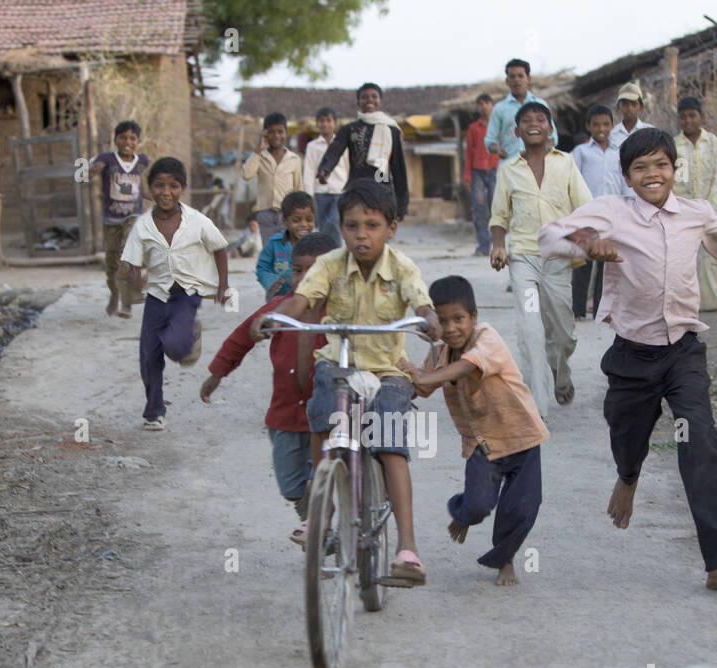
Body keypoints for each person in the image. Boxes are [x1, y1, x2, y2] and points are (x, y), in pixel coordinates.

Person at [538, 128, 717, 590]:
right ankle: (628, 475)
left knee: (700, 438)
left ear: (674, 169)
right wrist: (588, 242)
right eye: (641, 167)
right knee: (628, 436)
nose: (652, 174)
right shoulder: (612, 212)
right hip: (632, 356)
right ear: (627, 176)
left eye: (661, 165)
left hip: (683, 352)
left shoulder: (694, 214)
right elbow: (550, 237)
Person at [253, 180, 439, 584]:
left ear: (391, 227)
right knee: (324, 417)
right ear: (340, 227)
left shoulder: (402, 268)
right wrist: (279, 317)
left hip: (387, 369)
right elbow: (301, 299)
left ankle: (407, 548)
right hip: (338, 363)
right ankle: (324, 515)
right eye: (351, 225)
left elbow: (421, 301)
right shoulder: (330, 264)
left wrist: (431, 320)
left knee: (390, 442)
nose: (361, 235)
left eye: (372, 225)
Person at [398, 276, 549, 587]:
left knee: (522, 508)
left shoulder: (486, 339)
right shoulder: (439, 353)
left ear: (474, 317)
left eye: (458, 319)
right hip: (482, 444)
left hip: (521, 437)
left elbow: (465, 368)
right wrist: (404, 374)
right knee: (478, 506)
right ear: (432, 324)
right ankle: (465, 511)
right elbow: (422, 387)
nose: (451, 328)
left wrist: (425, 377)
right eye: (442, 321)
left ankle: (504, 559)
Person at [200, 232, 334, 543]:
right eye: (298, 270)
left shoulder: (341, 313)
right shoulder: (280, 308)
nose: (303, 278)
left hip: (326, 417)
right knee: (290, 486)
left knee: (321, 478)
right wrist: (218, 373)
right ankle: (313, 522)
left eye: (314, 271)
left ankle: (320, 529)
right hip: (285, 416)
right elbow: (241, 338)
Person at [489, 101, 591, 412]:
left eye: (541, 119)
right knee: (531, 330)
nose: (534, 123)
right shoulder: (508, 171)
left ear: (550, 129)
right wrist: (498, 245)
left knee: (562, 332)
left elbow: (585, 207)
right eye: (527, 120)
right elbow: (499, 216)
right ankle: (538, 411)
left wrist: (587, 237)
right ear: (516, 131)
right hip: (524, 261)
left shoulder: (566, 164)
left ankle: (561, 374)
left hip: (557, 259)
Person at [121, 157, 231, 431]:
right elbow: (133, 262)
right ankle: (154, 412)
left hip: (186, 294)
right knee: (149, 354)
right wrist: (136, 279)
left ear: (183, 188)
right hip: (156, 296)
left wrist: (223, 285)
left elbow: (219, 247)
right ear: (150, 189)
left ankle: (188, 332)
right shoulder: (143, 225)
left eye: (173, 185)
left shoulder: (197, 221)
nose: (166, 192)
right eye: (159, 185)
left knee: (175, 346)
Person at [317, 83, 410, 220]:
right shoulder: (349, 129)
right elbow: (334, 151)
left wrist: (402, 206)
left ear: (380, 101)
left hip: (381, 188)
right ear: (358, 102)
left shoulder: (391, 130)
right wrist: (325, 170)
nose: (369, 100)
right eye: (364, 97)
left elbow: (398, 169)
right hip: (357, 188)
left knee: (379, 230)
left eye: (374, 96)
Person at [89, 120, 151, 318]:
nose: (127, 141)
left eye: (132, 138)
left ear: (138, 142)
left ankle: (127, 304)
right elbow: (81, 177)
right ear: (115, 139)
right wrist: (92, 170)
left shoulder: (142, 161)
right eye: (123, 137)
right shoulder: (106, 158)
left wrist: (159, 197)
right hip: (111, 220)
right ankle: (115, 295)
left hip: (133, 218)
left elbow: (139, 188)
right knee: (112, 265)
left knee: (127, 259)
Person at [569, 104, 623, 321]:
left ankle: (601, 310)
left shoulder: (618, 153)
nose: (601, 128)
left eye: (606, 124)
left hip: (611, 214)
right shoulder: (581, 152)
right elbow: (571, 181)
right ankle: (578, 310)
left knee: (606, 264)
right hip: (586, 214)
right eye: (596, 124)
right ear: (588, 126)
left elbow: (623, 183)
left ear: (612, 125)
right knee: (583, 263)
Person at [673, 96, 717, 312]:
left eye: (692, 116)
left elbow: (716, 176)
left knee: (711, 254)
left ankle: (710, 301)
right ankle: (686, 302)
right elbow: (676, 180)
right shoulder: (675, 144)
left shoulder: (711, 142)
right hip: (683, 208)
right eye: (683, 117)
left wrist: (713, 208)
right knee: (684, 256)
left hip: (708, 207)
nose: (688, 121)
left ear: (700, 117)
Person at [241, 111, 303, 245]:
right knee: (270, 252)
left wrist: (299, 215)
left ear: (286, 133)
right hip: (265, 215)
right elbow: (246, 174)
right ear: (265, 134)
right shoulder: (259, 157)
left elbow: (299, 188)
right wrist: (258, 150)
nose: (276, 136)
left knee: (289, 251)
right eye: (272, 132)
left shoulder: (294, 159)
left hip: (287, 214)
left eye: (280, 131)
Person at [484, 59, 557, 159]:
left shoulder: (540, 104)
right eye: (512, 76)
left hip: (537, 168)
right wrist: (498, 149)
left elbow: (552, 137)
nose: (516, 80)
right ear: (507, 80)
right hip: (510, 166)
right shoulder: (499, 108)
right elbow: (490, 140)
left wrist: (543, 156)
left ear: (528, 79)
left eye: (520, 76)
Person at [256, 191, 316, 299]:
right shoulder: (274, 244)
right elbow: (262, 268)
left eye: (309, 220)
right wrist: (270, 280)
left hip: (308, 301)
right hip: (279, 301)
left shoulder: (318, 245)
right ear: (284, 221)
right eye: (296, 220)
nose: (304, 225)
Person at [303, 107, 349, 245]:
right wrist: (308, 195)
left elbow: (348, 167)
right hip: (320, 193)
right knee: (322, 227)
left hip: (339, 191)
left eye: (328, 120)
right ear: (317, 124)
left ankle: (337, 253)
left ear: (335, 123)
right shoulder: (312, 146)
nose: (325, 124)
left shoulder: (343, 144)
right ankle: (326, 256)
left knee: (334, 222)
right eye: (321, 121)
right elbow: (309, 171)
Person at [464, 93, 500, 256]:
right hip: (477, 171)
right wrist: (467, 177)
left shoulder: (499, 126)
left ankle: (500, 245)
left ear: (492, 105)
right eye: (481, 104)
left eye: (487, 102)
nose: (484, 106)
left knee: (498, 209)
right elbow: (468, 153)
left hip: (496, 169)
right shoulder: (473, 128)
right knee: (479, 208)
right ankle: (483, 246)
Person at [610, 83, 654, 152]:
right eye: (625, 104)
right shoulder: (611, 134)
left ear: (641, 107)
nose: (630, 108)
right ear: (619, 106)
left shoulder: (650, 131)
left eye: (634, 104)